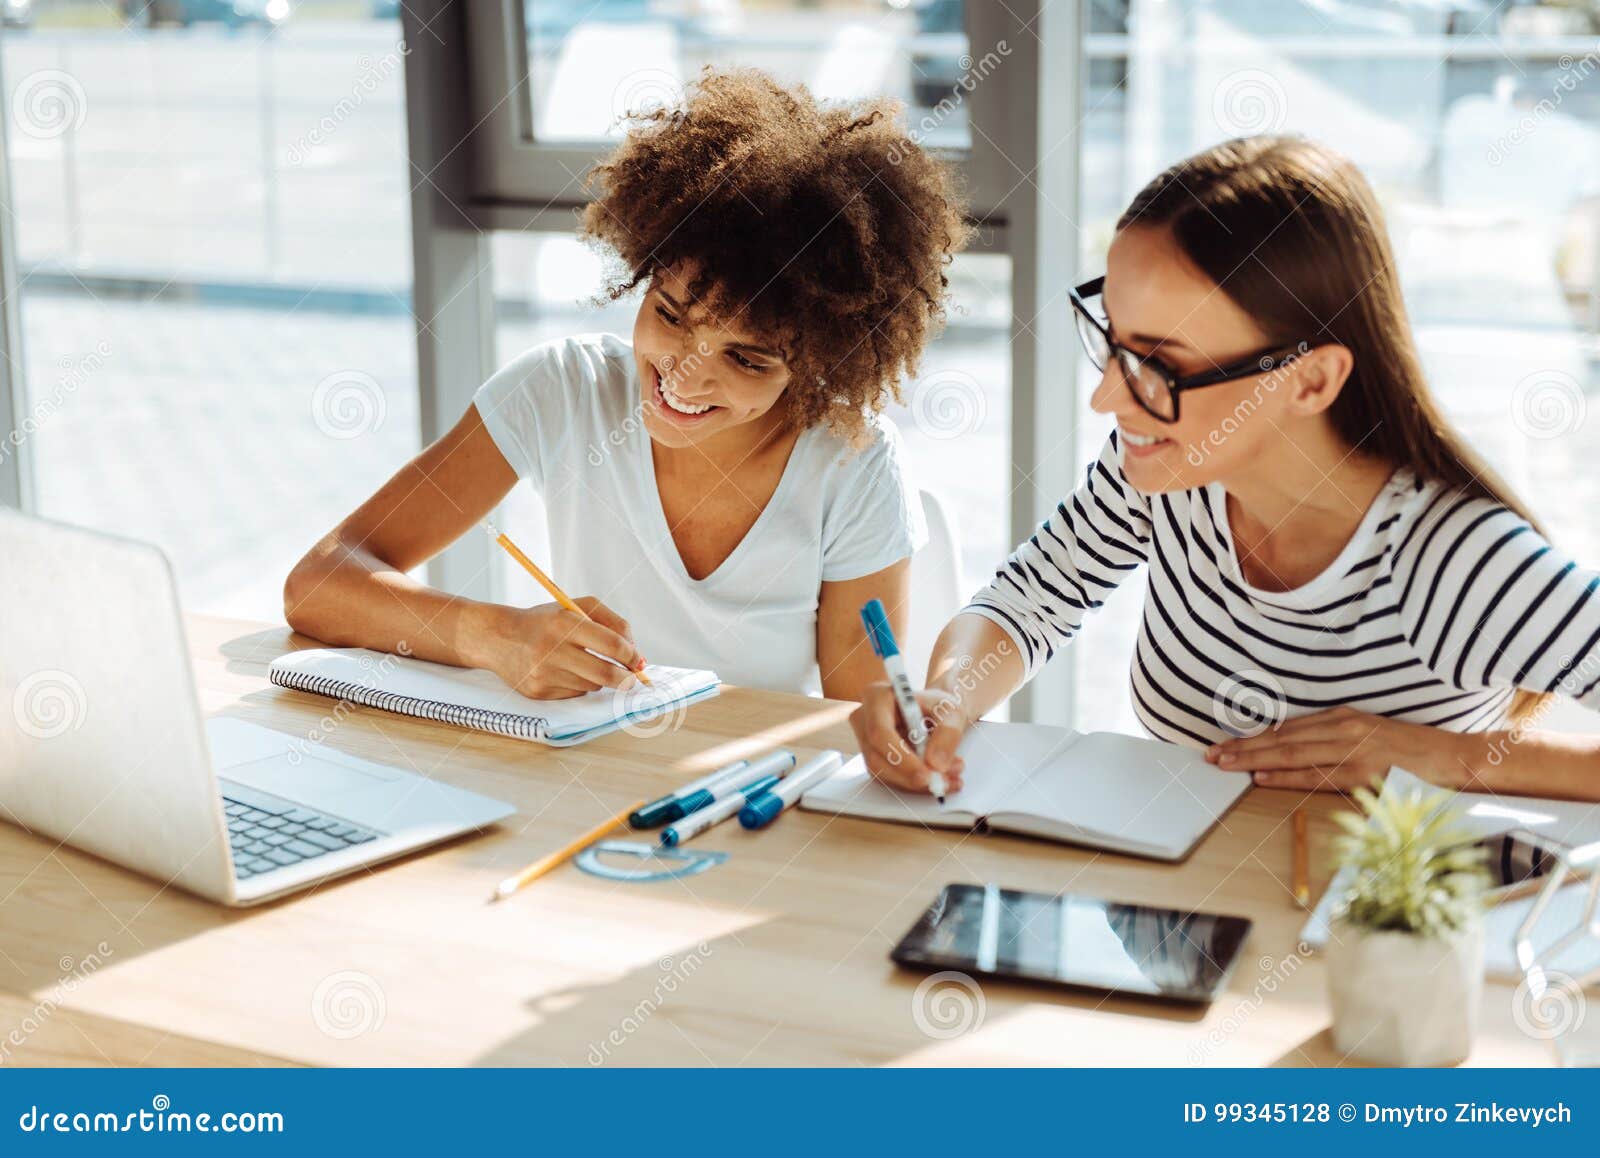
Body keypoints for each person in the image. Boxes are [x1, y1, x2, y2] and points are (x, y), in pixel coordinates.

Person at [851, 135, 1600, 801]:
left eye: (1162, 365)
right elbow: (1030, 602)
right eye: (1112, 341)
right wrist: (949, 696)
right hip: (1181, 930)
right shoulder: (1175, 473)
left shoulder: (1451, 559)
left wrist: (1434, 756)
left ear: (1310, 380)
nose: (1108, 396)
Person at [285, 69, 969, 700]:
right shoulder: (561, 391)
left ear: (816, 364)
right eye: (670, 314)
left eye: (748, 360)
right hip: (582, 780)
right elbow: (319, 584)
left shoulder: (852, 463)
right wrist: (493, 636)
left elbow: (857, 727)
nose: (687, 372)